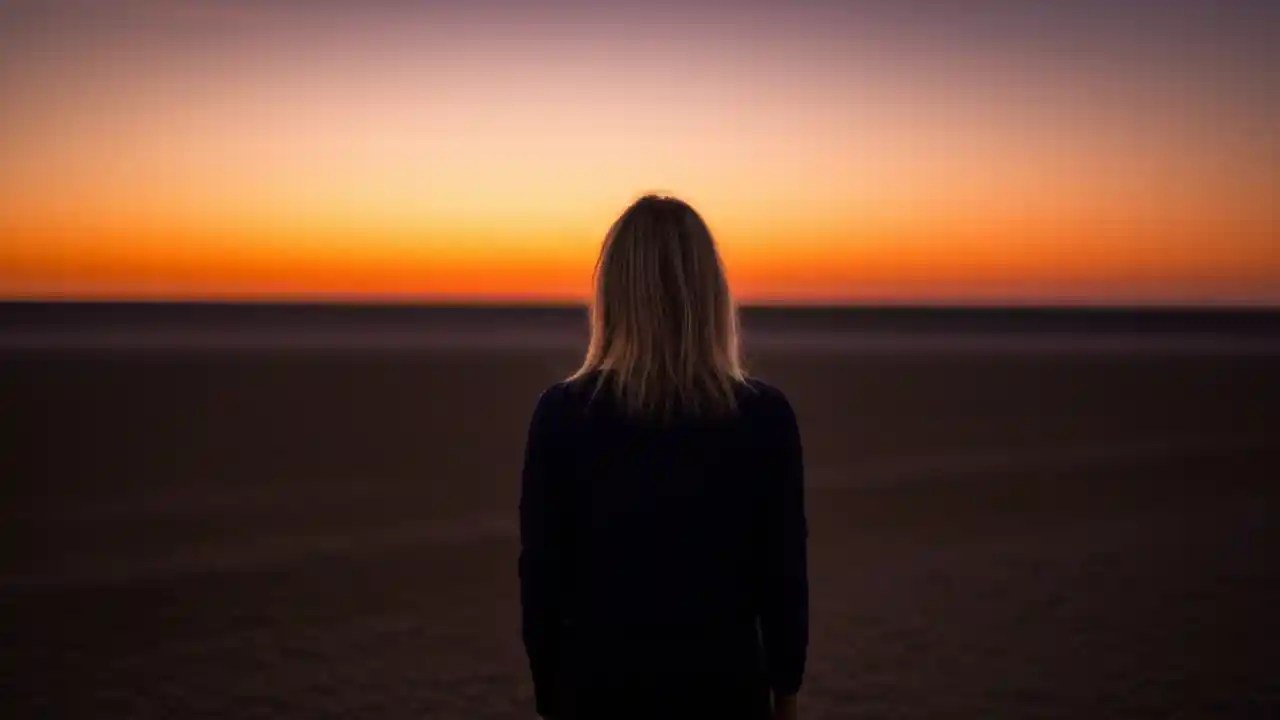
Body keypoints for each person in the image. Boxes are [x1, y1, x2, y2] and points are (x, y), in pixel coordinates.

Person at [518, 195, 808, 719]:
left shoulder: (563, 414)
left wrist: (550, 694)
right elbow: (783, 577)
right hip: (724, 688)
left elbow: (542, 580)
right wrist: (785, 694)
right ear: (711, 292)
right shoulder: (764, 417)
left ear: (612, 293)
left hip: (598, 689)